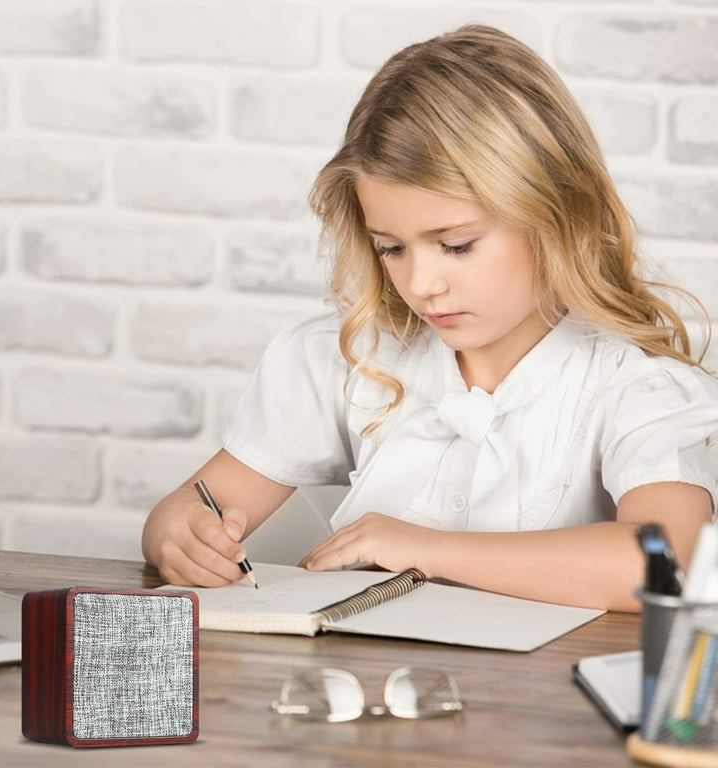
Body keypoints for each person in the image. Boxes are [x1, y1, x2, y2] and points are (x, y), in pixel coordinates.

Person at [142, 24, 718, 612]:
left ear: (556, 214)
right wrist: (178, 534)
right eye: (392, 248)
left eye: (457, 245)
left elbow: (669, 564)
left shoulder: (633, 389)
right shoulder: (348, 359)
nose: (421, 284)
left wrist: (427, 548)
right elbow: (193, 504)